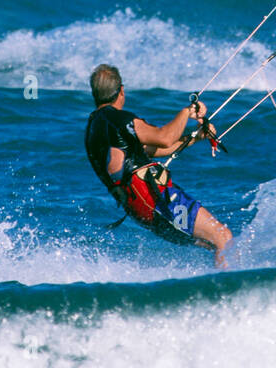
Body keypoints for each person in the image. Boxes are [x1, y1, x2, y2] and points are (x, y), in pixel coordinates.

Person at [84, 63, 232, 265]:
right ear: (121, 91)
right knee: (223, 237)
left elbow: (155, 150)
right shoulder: (120, 119)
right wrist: (187, 112)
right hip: (155, 199)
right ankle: (232, 294)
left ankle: (216, 290)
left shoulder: (94, 128)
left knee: (213, 243)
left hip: (140, 210)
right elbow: (165, 138)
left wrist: (197, 137)